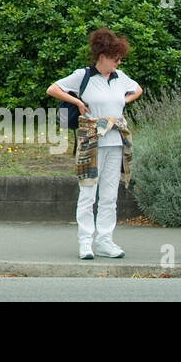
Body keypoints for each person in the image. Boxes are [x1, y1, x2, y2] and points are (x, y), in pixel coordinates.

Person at [46, 28, 143, 260]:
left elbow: (137, 90)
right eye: (115, 58)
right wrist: (77, 102)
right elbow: (53, 88)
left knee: (109, 194)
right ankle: (85, 241)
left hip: (115, 141)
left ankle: (105, 240)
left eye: (120, 59)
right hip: (91, 140)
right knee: (88, 192)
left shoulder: (121, 78)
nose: (118, 63)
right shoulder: (84, 75)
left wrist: (122, 103)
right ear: (102, 56)